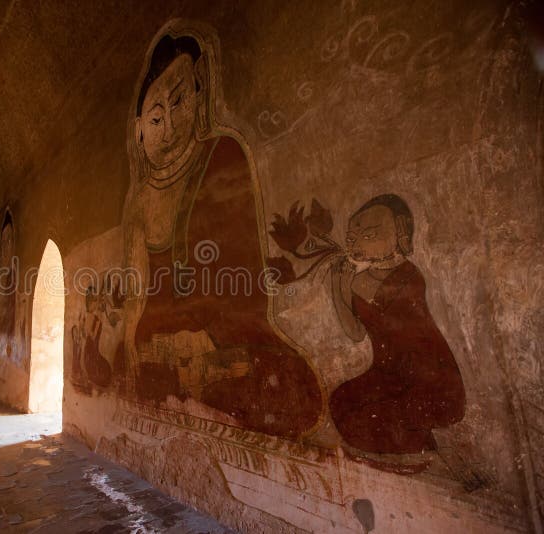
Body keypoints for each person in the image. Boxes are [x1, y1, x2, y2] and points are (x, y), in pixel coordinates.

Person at [124, 32, 323, 438]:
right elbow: (139, 292)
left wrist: (207, 334)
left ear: (201, 93)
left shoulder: (224, 153)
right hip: (163, 337)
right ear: (139, 131)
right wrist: (148, 340)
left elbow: (247, 280)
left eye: (181, 101)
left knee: (294, 389)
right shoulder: (141, 197)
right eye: (156, 118)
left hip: (228, 332)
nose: (170, 126)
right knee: (138, 375)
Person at [329, 194, 466, 457]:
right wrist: (339, 289)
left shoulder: (409, 275)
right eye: (352, 237)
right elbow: (355, 333)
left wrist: (350, 287)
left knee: (387, 414)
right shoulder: (358, 282)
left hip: (428, 376)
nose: (357, 242)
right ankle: (411, 446)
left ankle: (427, 450)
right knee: (341, 402)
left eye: (370, 235)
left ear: (400, 235)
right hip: (387, 374)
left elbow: (386, 312)